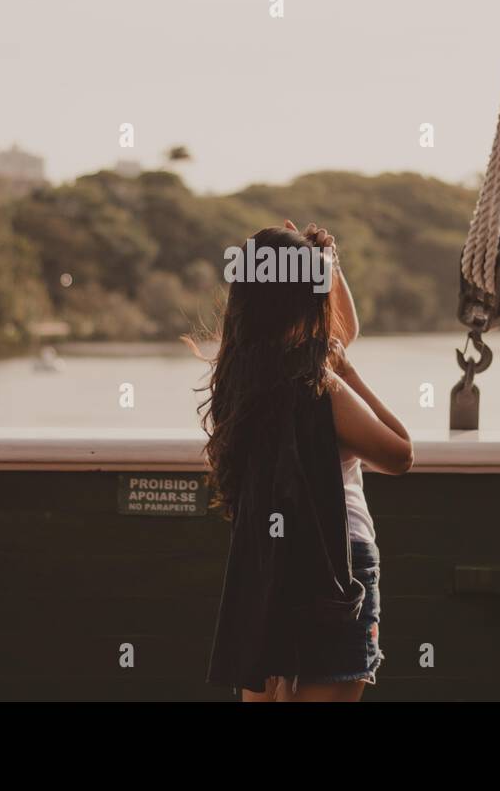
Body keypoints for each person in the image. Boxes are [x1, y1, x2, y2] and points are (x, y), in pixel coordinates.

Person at [196, 220, 413, 702]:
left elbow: (344, 329)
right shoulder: (321, 386)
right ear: (307, 303)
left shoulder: (237, 384)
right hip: (338, 556)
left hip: (268, 563)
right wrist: (346, 371)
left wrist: (326, 265)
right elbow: (400, 452)